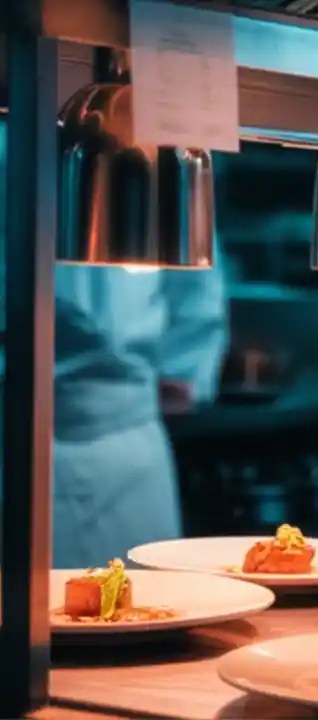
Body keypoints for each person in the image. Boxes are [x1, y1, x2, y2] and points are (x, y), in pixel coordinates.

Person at [0, 119, 230, 568]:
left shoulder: (159, 148)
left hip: (129, 437)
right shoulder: (15, 132)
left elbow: (198, 280)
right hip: (17, 430)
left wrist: (185, 366)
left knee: (153, 595)